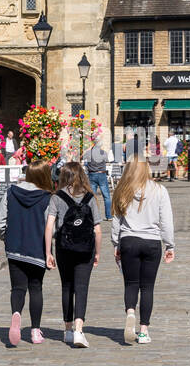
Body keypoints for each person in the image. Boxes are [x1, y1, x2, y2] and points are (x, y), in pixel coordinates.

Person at [111, 158, 174, 344]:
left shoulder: (122, 190)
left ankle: (130, 311)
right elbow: (166, 221)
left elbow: (116, 221)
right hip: (152, 241)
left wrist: (116, 244)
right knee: (147, 287)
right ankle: (144, 330)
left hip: (129, 240)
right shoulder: (160, 190)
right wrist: (170, 245)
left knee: (130, 283)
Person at [0, 160, 54, 346]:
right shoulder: (47, 198)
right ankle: (35, 331)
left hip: (15, 249)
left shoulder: (11, 192)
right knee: (36, 288)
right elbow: (51, 227)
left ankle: (16, 315)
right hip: (37, 250)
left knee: (18, 288)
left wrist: (6, 236)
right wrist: (49, 249)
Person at [45, 162, 101, 347]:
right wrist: (98, 253)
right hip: (85, 248)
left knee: (67, 286)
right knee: (82, 287)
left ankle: (68, 330)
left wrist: (48, 252)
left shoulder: (56, 197)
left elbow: (49, 226)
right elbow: (98, 229)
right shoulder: (90, 197)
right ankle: (79, 330)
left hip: (64, 247)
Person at [83, 138, 112, 220]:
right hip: (101, 174)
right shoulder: (103, 152)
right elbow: (107, 161)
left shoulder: (89, 153)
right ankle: (109, 216)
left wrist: (89, 149)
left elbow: (82, 156)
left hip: (92, 174)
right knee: (106, 196)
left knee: (92, 197)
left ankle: (93, 216)